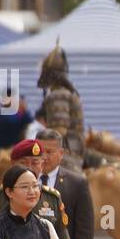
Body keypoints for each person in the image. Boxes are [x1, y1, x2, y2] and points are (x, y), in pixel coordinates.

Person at [38, 42, 86, 173]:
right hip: (72, 151)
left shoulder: (57, 95)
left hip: (67, 157)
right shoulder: (63, 93)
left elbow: (58, 133)